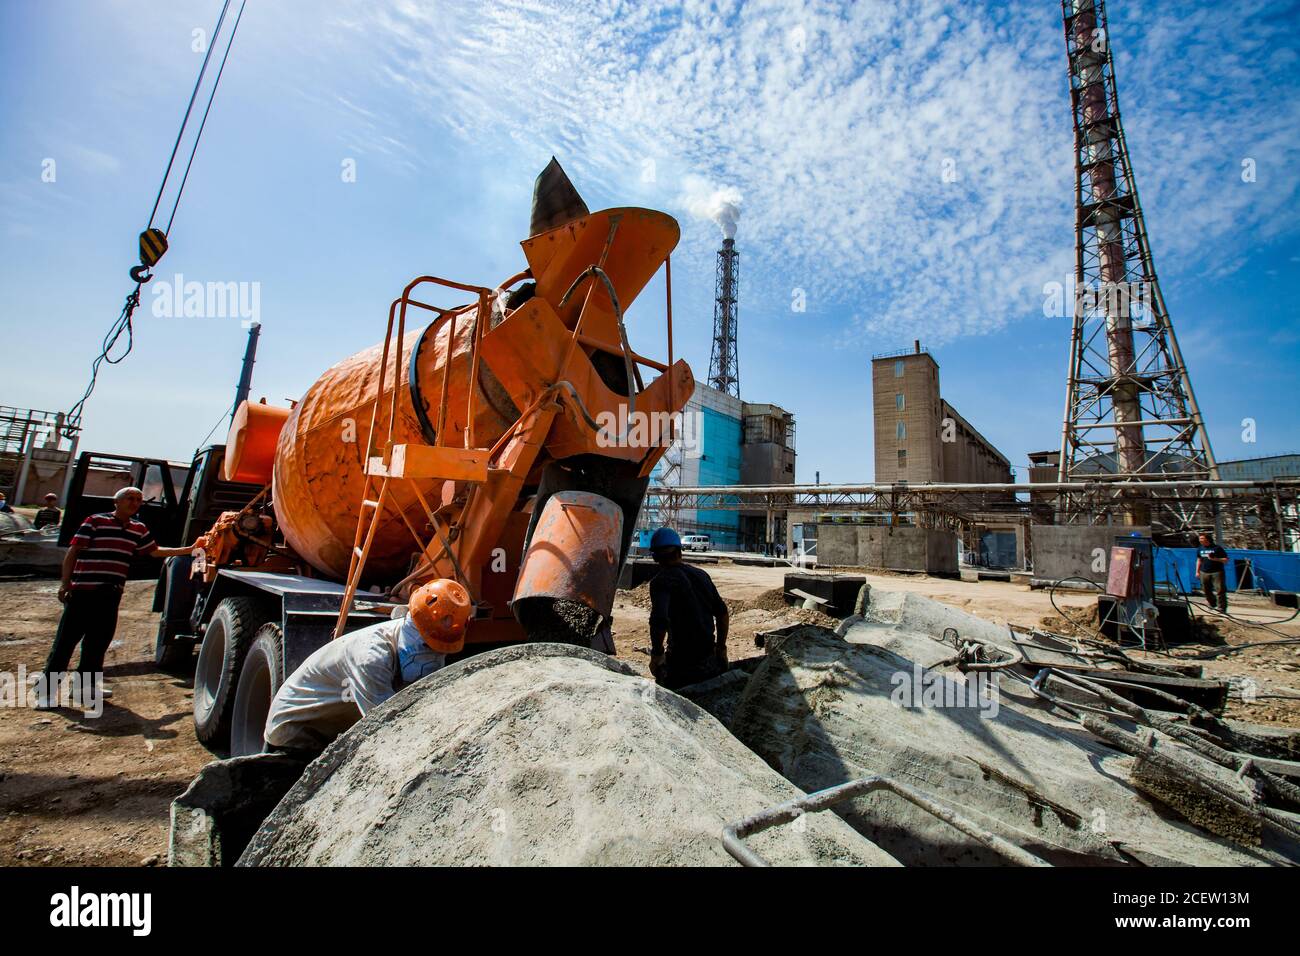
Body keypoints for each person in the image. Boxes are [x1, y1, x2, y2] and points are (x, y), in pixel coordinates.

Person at [263, 578, 471, 753]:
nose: (433, 656)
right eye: (428, 645)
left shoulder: (419, 636)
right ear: (414, 629)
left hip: (332, 728)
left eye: (440, 649)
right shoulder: (371, 657)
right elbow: (387, 728)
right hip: (296, 730)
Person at [38, 487, 195, 708]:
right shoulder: (95, 522)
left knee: (98, 643)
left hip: (110, 594)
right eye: (130, 498)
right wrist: (65, 583)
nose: (134, 502)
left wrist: (190, 549)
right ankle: (46, 694)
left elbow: (155, 551)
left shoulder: (138, 528)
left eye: (139, 500)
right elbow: (73, 552)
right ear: (116, 501)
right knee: (65, 642)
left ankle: (84, 689)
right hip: (83, 591)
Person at [647, 527, 730, 690]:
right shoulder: (702, 575)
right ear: (680, 551)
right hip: (708, 661)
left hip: (680, 666)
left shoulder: (660, 582)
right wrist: (721, 648)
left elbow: (659, 621)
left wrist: (657, 654)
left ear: (655, 557)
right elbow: (722, 613)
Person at [1196, 532, 1229, 613]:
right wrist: (1197, 571)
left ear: (1207, 539)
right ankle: (1212, 603)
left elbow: (1226, 560)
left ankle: (1221, 608)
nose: (1200, 540)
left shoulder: (1217, 548)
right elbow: (1199, 560)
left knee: (1220, 590)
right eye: (1200, 539)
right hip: (1204, 572)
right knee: (1206, 589)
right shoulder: (1200, 548)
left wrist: (1215, 559)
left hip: (1217, 572)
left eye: (1202, 538)